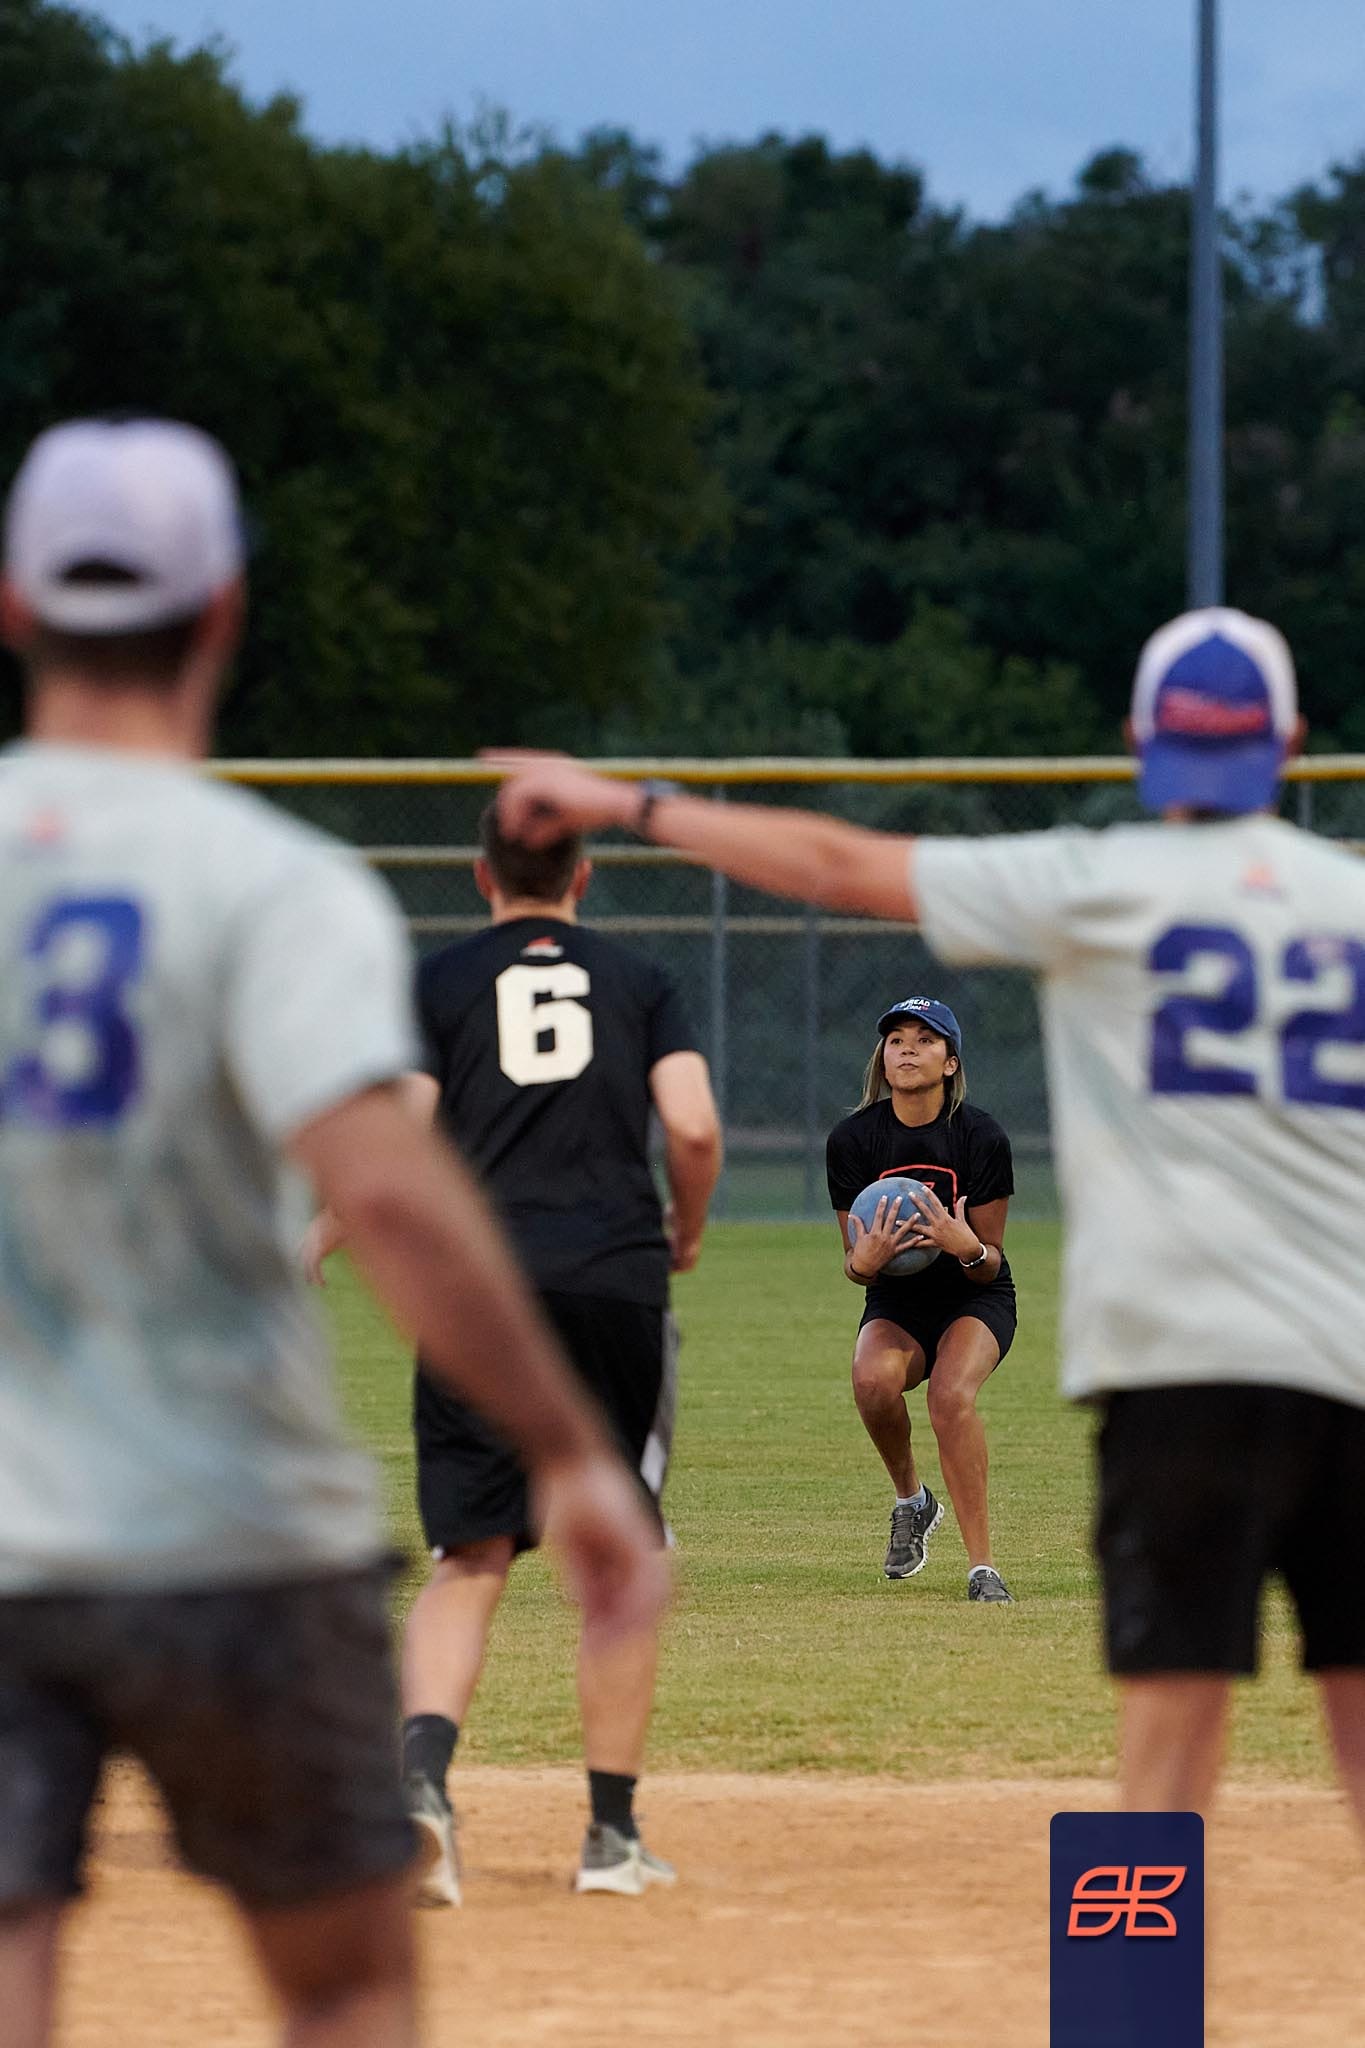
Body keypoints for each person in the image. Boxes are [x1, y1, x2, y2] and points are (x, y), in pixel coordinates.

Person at [0, 417, 667, 2048]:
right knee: (348, 1983)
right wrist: (568, 1449)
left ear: (15, 607)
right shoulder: (274, 882)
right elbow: (386, 1191)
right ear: (223, 611)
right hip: (231, 1531)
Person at [492, 606, 1365, 1836]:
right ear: (1292, 742)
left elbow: (833, 861)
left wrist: (629, 801)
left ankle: (1127, 1967)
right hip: (1347, 1351)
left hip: (1180, 1366)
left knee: (1168, 1745)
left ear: (1138, 742)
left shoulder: (1095, 881)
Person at [305, 803, 721, 1904]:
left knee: (468, 1555)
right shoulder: (640, 978)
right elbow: (691, 1125)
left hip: (477, 1289)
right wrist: (683, 1227)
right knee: (622, 1556)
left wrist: (327, 1228)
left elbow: (399, 1129)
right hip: (612, 1281)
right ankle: (612, 1836)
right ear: (582, 875)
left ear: (481, 874)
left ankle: (421, 1790)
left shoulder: (439, 982)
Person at [827, 996, 1016, 1600]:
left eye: (926, 1040)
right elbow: (856, 1266)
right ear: (883, 1059)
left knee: (949, 1396)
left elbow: (990, 1262)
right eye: (897, 1040)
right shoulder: (853, 1140)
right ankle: (913, 1500)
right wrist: (865, 1262)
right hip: (898, 1300)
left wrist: (966, 1246)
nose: (908, 1049)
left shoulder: (981, 1136)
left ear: (950, 1063)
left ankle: (982, 1569)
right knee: (871, 1382)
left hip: (973, 1297)